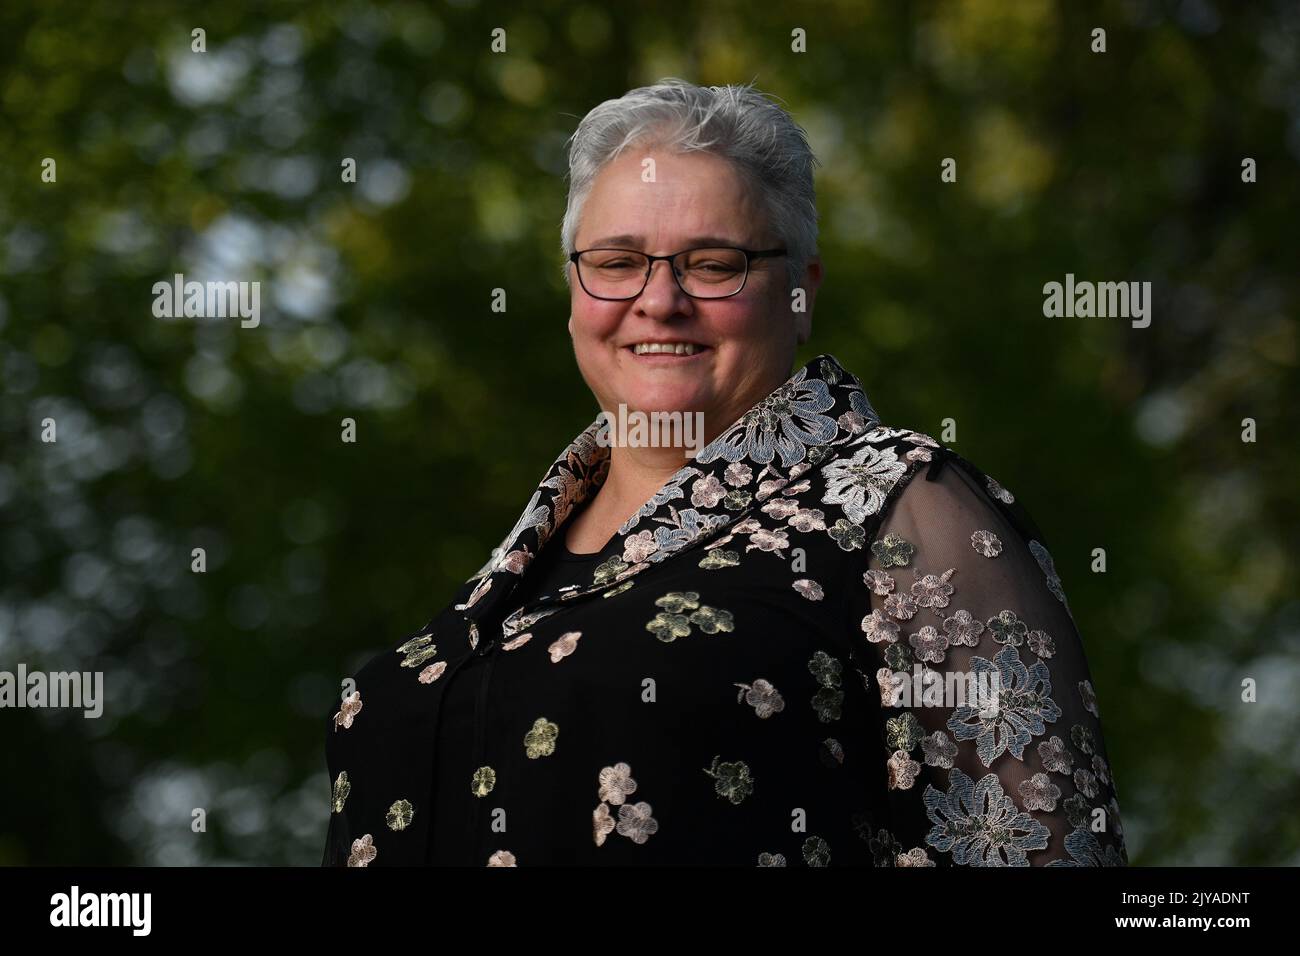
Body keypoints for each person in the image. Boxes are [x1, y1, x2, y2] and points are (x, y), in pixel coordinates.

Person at [321, 78, 1127, 867]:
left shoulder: (899, 507)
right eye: (617, 261)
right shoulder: (510, 573)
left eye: (713, 264)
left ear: (801, 292)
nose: (659, 300)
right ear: (574, 288)